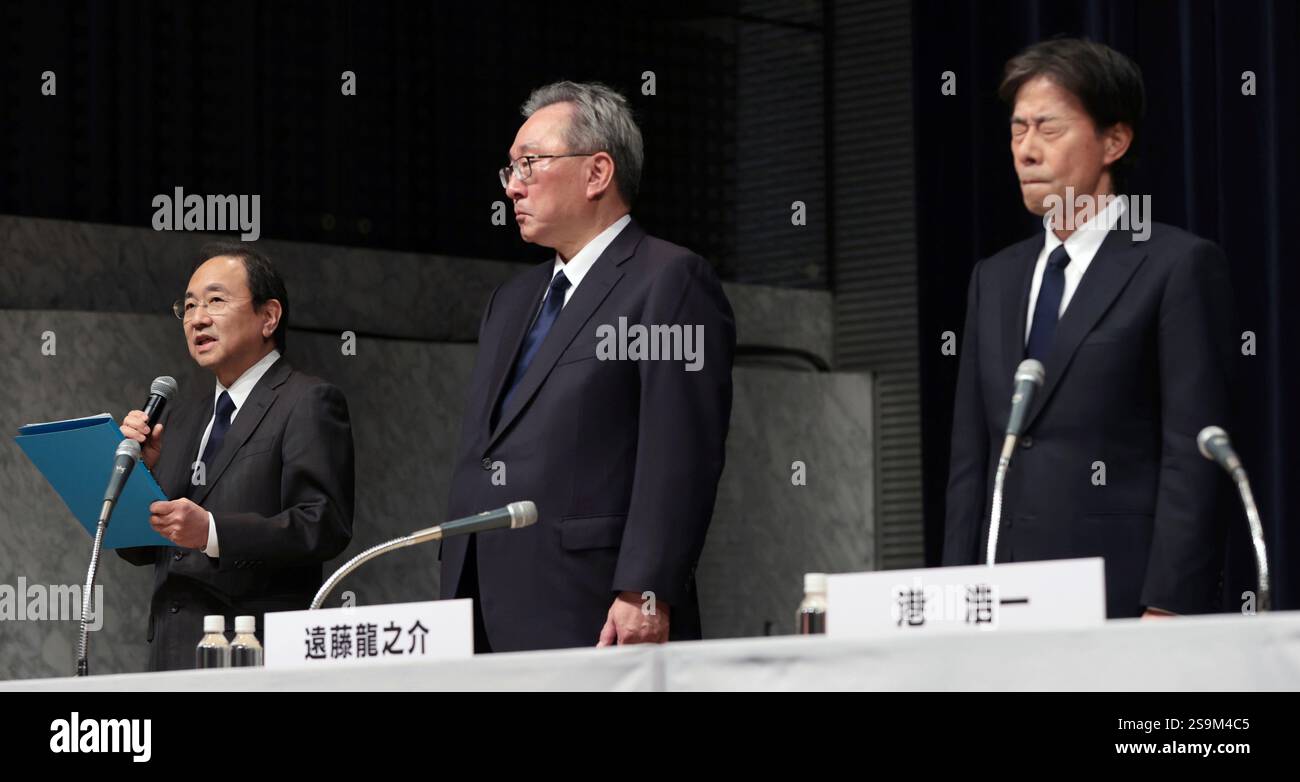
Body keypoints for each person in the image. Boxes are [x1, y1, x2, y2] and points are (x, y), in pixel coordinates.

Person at [942, 39, 1236, 618]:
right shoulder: (994, 278)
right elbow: (970, 461)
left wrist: (1170, 604)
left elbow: (1192, 453)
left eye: (1048, 130)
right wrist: (957, 598)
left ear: (1114, 141)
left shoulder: (1175, 264)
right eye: (1017, 129)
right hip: (1002, 604)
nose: (1025, 151)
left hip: (1123, 598)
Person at [442, 81, 736, 651]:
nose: (512, 187)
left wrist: (644, 589)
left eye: (529, 164)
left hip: (596, 602)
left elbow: (680, 450)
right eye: (508, 170)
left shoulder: (668, 280)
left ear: (598, 172)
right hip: (480, 597)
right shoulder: (510, 302)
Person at [118, 243, 355, 670]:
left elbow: (323, 524)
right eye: (188, 306)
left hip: (254, 654)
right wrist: (143, 475)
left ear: (269, 317)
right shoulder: (184, 415)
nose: (197, 318)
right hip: (172, 653)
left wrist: (212, 531)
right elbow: (141, 549)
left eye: (215, 301)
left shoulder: (307, 400)